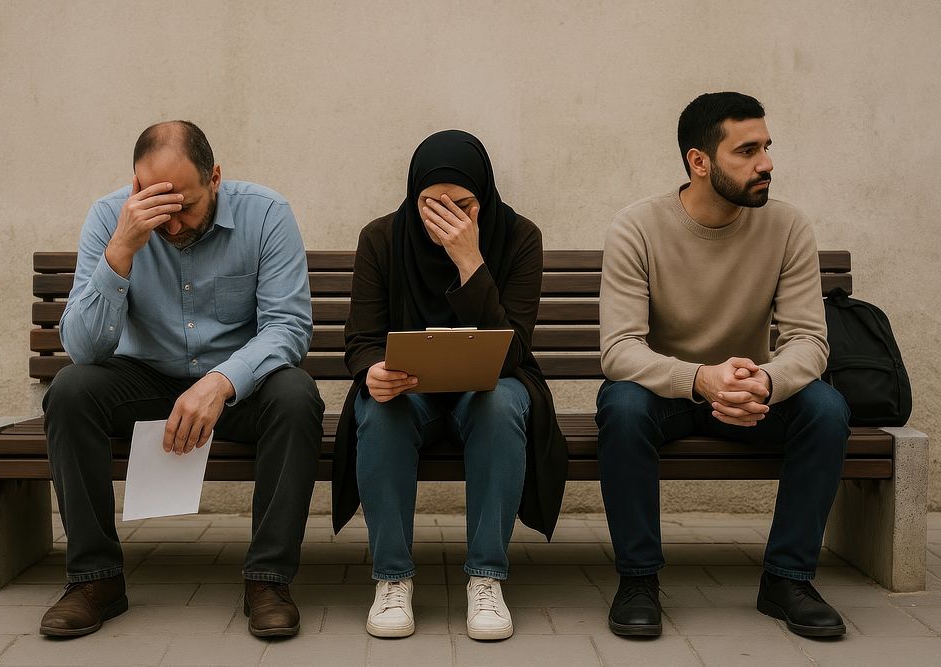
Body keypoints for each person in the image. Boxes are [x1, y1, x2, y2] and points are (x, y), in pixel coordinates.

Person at [40, 121, 324, 638]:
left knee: (296, 394)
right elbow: (83, 349)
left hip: (237, 389)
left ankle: (268, 580)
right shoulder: (109, 218)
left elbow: (288, 327)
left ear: (215, 176)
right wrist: (122, 249)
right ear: (135, 188)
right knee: (70, 391)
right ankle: (95, 579)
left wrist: (220, 381)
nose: (172, 226)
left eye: (185, 206)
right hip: (143, 379)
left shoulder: (267, 214)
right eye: (157, 206)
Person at [597, 93, 850, 638]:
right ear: (699, 161)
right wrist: (697, 379)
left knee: (826, 409)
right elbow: (619, 349)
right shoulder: (637, 226)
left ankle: (788, 579)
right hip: (665, 397)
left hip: (747, 397)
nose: (767, 163)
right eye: (747, 150)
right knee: (620, 404)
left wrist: (765, 380)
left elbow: (808, 339)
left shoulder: (788, 227)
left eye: (767, 147)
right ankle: (638, 579)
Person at [332, 130, 567, 641]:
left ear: (485, 195)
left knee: (502, 401)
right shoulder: (381, 238)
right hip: (409, 392)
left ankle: (486, 577)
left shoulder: (519, 237)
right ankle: (392, 579)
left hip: (486, 387)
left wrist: (470, 261)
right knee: (377, 407)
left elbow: (512, 350)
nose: (446, 218)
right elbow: (361, 340)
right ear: (412, 194)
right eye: (430, 205)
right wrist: (372, 369)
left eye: (463, 206)